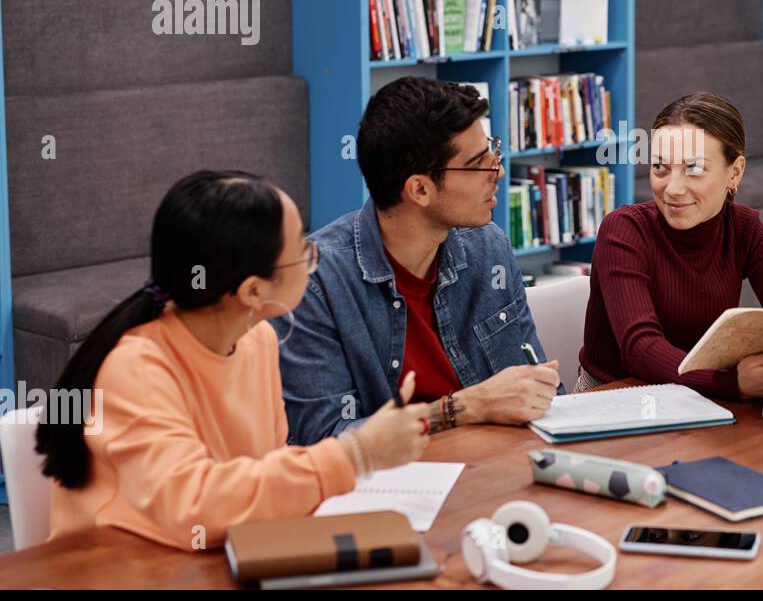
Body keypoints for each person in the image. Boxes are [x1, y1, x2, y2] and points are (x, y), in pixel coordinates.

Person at [39, 170, 431, 551]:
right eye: (303, 252)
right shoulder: (137, 369)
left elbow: (260, 478)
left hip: (216, 557)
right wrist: (354, 455)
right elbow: (195, 507)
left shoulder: (257, 340)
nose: (315, 258)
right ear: (253, 291)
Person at [276, 77, 558, 445]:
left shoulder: (487, 248)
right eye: (478, 164)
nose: (498, 172)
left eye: (493, 150)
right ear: (420, 189)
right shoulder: (314, 283)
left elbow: (536, 388)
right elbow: (324, 439)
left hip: (497, 468)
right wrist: (464, 408)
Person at [579, 93, 763, 400]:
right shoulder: (624, 230)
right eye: (660, 168)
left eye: (693, 169)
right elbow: (640, 350)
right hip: (614, 396)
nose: (673, 189)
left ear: (734, 172)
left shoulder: (745, 228)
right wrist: (734, 383)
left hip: (701, 394)